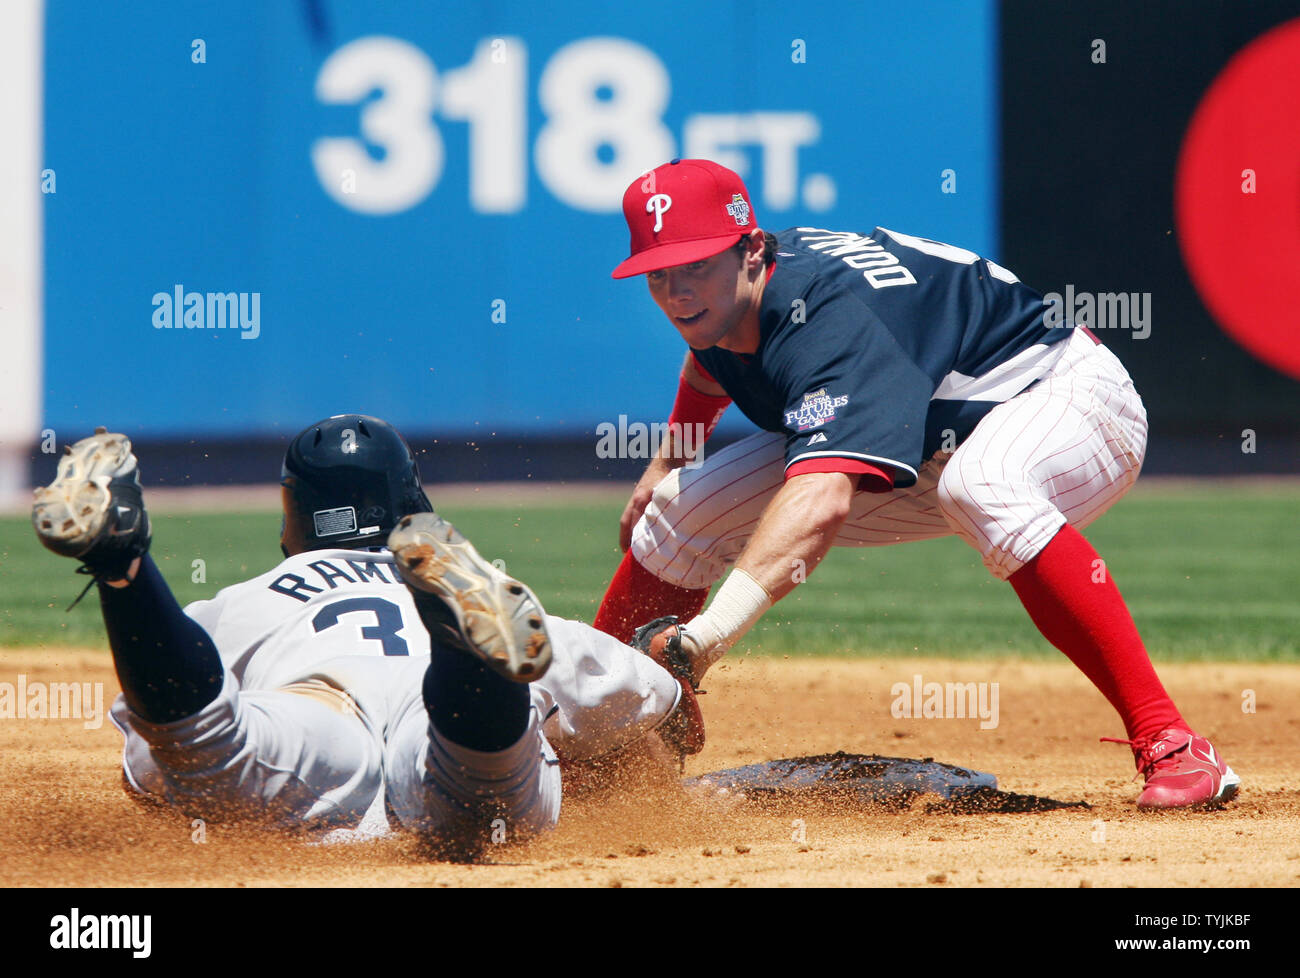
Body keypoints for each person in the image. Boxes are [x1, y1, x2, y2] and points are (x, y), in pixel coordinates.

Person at [593, 158, 1239, 810]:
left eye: (695, 266)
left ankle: (1173, 742)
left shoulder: (830, 320)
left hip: (1070, 402)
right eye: (659, 273)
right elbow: (709, 358)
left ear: (753, 249)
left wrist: (705, 639)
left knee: (981, 486)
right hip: (934, 432)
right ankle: (596, 749)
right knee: (680, 511)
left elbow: (822, 501)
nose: (676, 292)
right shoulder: (724, 295)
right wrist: (669, 459)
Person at [32, 415, 702, 854]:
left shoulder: (241, 604)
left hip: (315, 706)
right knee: (481, 794)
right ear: (413, 508)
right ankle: (460, 648)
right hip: (427, 708)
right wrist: (663, 697)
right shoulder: (532, 625)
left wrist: (197, 770)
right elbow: (660, 704)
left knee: (213, 747)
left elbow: (155, 763)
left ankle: (123, 569)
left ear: (293, 517)